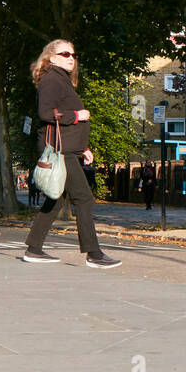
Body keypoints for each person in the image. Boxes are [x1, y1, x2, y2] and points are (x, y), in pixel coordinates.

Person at [22, 39, 121, 268]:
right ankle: (93, 253)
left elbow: (63, 123)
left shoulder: (61, 80)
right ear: (52, 57)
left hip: (66, 149)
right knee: (84, 198)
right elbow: (46, 113)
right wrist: (77, 116)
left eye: (73, 55)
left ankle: (34, 248)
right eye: (65, 54)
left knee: (57, 199)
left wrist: (83, 148)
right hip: (60, 151)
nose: (70, 58)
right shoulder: (51, 80)